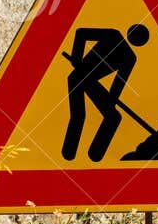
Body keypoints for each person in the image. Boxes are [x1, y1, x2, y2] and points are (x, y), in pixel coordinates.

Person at [62, 23, 150, 162]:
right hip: (77, 77)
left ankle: (95, 155)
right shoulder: (113, 35)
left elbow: (118, 84)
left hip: (90, 82)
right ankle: (68, 154)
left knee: (113, 117)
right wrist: (77, 57)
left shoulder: (130, 58)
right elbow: (81, 33)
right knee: (79, 115)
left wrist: (112, 99)